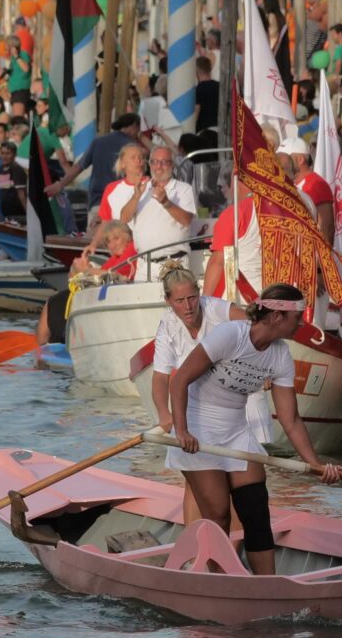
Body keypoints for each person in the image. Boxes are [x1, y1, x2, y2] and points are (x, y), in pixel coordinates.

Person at [162, 283, 342, 575]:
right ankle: (218, 584)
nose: (301, 325)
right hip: (197, 427)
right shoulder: (230, 335)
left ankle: (266, 586)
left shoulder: (281, 356)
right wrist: (181, 431)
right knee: (219, 514)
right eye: (298, 318)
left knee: (256, 510)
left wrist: (315, 465)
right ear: (276, 317)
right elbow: (179, 380)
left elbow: (290, 419)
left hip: (235, 429)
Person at [149, 267, 236, 446]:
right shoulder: (167, 326)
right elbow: (160, 378)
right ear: (168, 301)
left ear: (199, 293)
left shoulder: (215, 307)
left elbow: (253, 327)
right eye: (179, 301)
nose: (187, 307)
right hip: (200, 404)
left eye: (192, 298)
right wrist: (164, 413)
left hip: (236, 395)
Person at [106, 144, 200, 278]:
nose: (158, 166)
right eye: (154, 162)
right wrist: (136, 196)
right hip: (144, 266)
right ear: (149, 165)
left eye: (163, 162)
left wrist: (166, 202)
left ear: (172, 165)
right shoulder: (140, 190)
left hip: (174, 263)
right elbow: (123, 219)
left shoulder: (183, 189)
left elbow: (186, 220)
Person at [52, 111, 143, 204]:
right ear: (134, 126)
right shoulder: (133, 147)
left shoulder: (98, 142)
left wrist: (60, 185)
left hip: (97, 198)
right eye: (139, 129)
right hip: (122, 199)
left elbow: (77, 168)